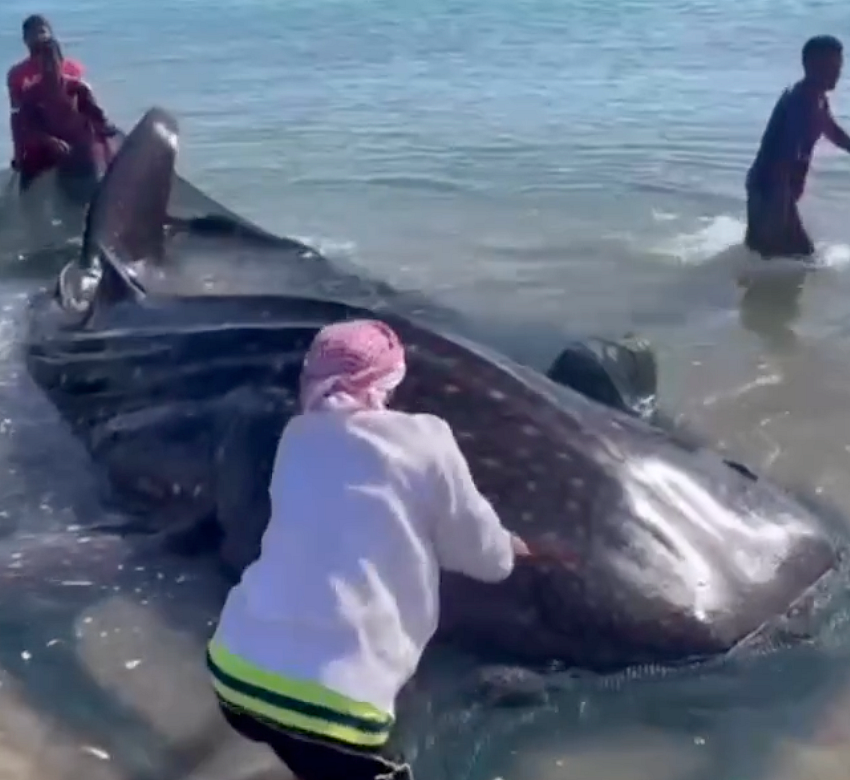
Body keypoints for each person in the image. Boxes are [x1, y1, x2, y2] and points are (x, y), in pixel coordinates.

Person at [207, 319, 547, 780]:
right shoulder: (427, 439)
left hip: (233, 672)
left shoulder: (296, 437)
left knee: (303, 750)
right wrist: (508, 549)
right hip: (335, 707)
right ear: (390, 380)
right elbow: (482, 557)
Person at [745, 35, 850, 259]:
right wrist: (781, 207)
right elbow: (784, 158)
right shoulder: (801, 101)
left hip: (769, 189)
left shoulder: (816, 97)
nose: (837, 73)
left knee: (773, 258)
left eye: (838, 66)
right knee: (796, 258)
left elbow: (833, 132)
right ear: (810, 66)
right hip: (770, 190)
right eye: (829, 67)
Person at [7, 15, 115, 188]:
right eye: (33, 33)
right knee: (29, 185)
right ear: (25, 40)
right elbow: (19, 120)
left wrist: (104, 147)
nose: (38, 36)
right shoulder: (19, 77)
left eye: (42, 31)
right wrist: (19, 154)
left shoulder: (73, 74)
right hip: (40, 141)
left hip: (72, 141)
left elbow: (90, 113)